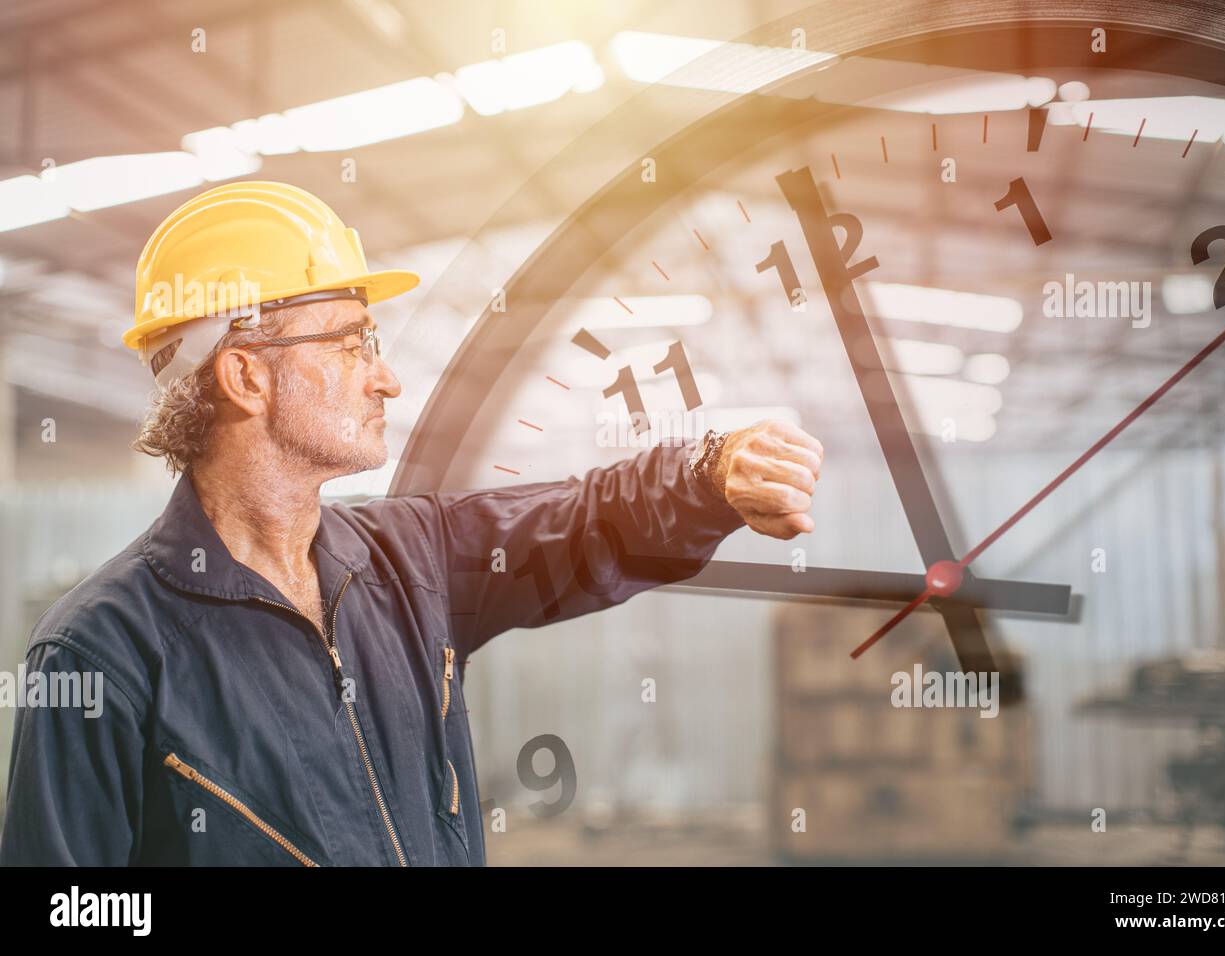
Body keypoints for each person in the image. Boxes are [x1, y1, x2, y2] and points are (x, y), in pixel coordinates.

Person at [0, 181, 823, 866]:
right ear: (246, 375)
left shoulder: (411, 561)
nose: (386, 379)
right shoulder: (103, 652)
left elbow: (582, 523)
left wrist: (708, 472)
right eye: (353, 343)